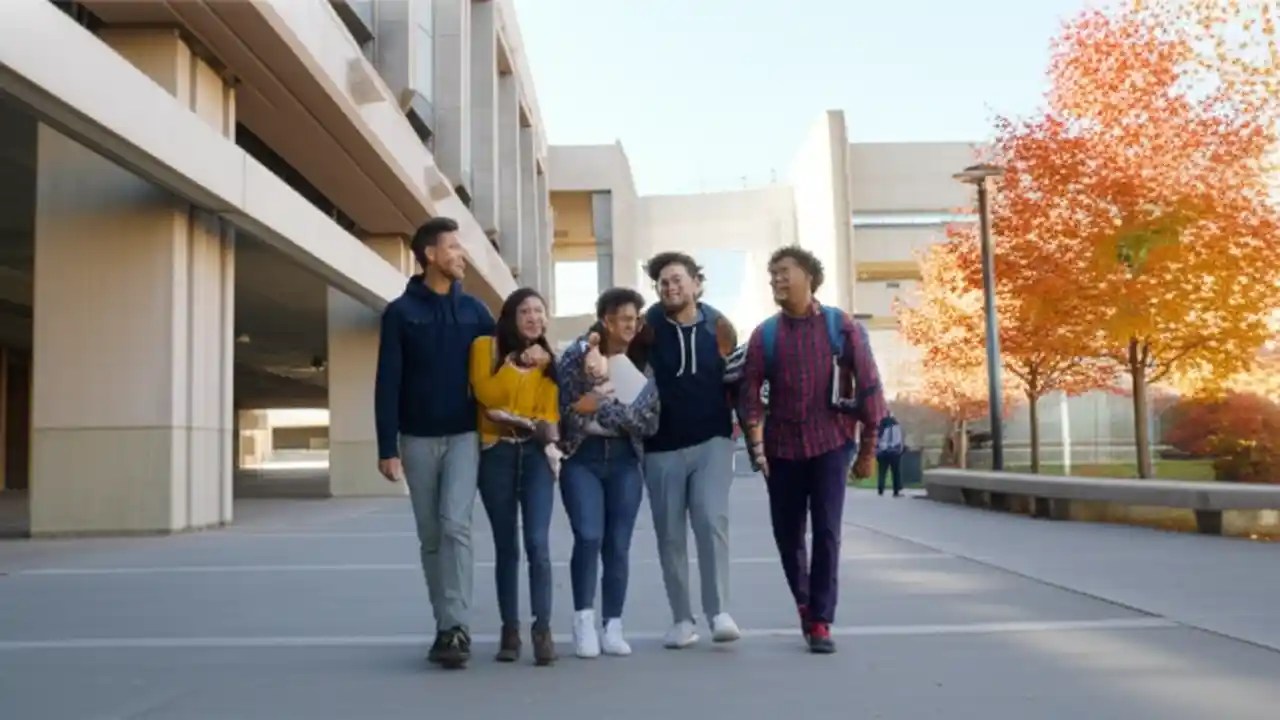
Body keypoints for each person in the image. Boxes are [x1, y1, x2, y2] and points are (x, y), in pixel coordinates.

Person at [739, 245, 888, 655]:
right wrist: (755, 444)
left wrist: (868, 449)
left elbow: (870, 388)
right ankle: (804, 604)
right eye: (772, 275)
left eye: (783, 272)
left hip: (832, 443)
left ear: (808, 275)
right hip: (782, 449)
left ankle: (821, 619)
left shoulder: (843, 328)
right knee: (788, 535)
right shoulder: (764, 335)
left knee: (826, 531)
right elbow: (749, 395)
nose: (776, 280)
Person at [374, 217, 495, 670]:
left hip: (465, 436)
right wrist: (387, 447)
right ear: (429, 254)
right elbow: (388, 382)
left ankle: (457, 626)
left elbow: (500, 371)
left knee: (454, 526)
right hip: (416, 440)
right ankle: (445, 624)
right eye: (452, 248)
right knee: (430, 536)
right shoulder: (401, 313)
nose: (460, 255)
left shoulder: (476, 313)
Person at [633, 252, 742, 649]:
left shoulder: (720, 325)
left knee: (712, 521)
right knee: (670, 534)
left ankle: (720, 612)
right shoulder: (646, 328)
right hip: (660, 446)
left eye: (678, 279)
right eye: (663, 282)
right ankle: (682, 619)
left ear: (696, 283)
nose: (670, 287)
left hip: (712, 441)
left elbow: (739, 381)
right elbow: (622, 367)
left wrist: (754, 439)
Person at [556, 288, 659, 659]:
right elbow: (567, 411)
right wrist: (609, 409)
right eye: (622, 319)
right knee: (588, 536)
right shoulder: (576, 357)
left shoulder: (640, 365)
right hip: (582, 457)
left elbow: (648, 422)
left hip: (624, 461)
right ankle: (583, 619)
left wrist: (602, 408)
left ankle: (612, 624)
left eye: (635, 319)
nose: (630, 326)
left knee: (618, 543)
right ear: (605, 320)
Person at [469, 288, 560, 666]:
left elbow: (549, 415)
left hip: (537, 457)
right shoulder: (485, 349)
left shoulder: (548, 360)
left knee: (538, 543)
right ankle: (510, 629)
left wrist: (524, 415)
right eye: (525, 311)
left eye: (539, 311)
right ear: (510, 316)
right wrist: (517, 364)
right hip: (497, 455)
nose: (534, 318)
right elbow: (488, 397)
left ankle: (543, 630)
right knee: (507, 545)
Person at [876, 413, 906, 497]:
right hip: (894, 452)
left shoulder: (881, 426)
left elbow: (877, 439)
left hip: (882, 451)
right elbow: (899, 439)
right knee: (896, 472)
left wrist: (878, 449)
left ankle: (880, 489)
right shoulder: (896, 426)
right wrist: (900, 449)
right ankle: (896, 490)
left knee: (882, 471)